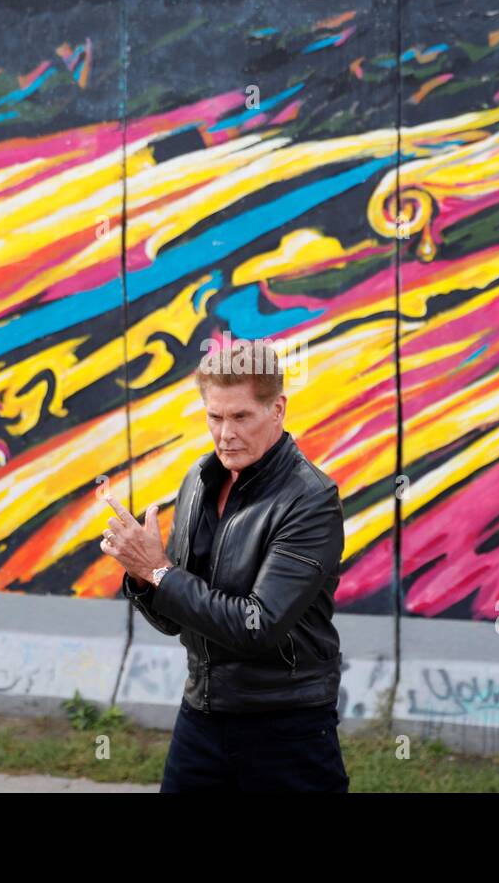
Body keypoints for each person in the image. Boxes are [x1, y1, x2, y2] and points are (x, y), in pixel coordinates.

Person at [100, 337, 349, 792]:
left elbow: (256, 626)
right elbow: (177, 619)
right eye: (214, 416)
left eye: (241, 417)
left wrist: (159, 573)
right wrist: (142, 575)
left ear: (277, 411)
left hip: (286, 727)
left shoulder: (311, 500)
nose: (225, 434)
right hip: (202, 716)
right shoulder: (199, 477)